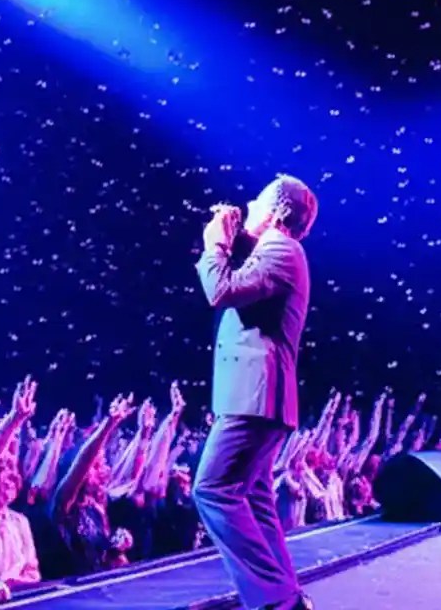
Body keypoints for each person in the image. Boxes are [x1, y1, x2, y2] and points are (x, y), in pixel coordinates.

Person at [192, 175, 318, 610]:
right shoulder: (278, 252)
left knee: (213, 489)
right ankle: (286, 596)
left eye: (258, 199)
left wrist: (215, 244)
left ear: (277, 212)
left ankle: (273, 600)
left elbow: (221, 290)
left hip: (256, 396)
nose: (248, 202)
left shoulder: (283, 250)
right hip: (262, 398)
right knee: (253, 496)